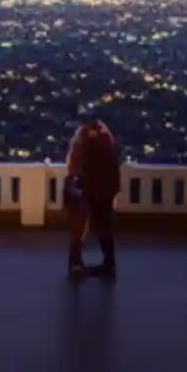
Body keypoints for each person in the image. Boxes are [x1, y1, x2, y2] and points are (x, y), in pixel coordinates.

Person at [65, 115, 121, 279]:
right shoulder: (107, 138)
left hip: (87, 189)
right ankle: (108, 263)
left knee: (80, 228)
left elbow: (75, 164)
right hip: (104, 189)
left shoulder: (83, 139)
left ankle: (76, 263)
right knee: (104, 227)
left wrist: (74, 183)